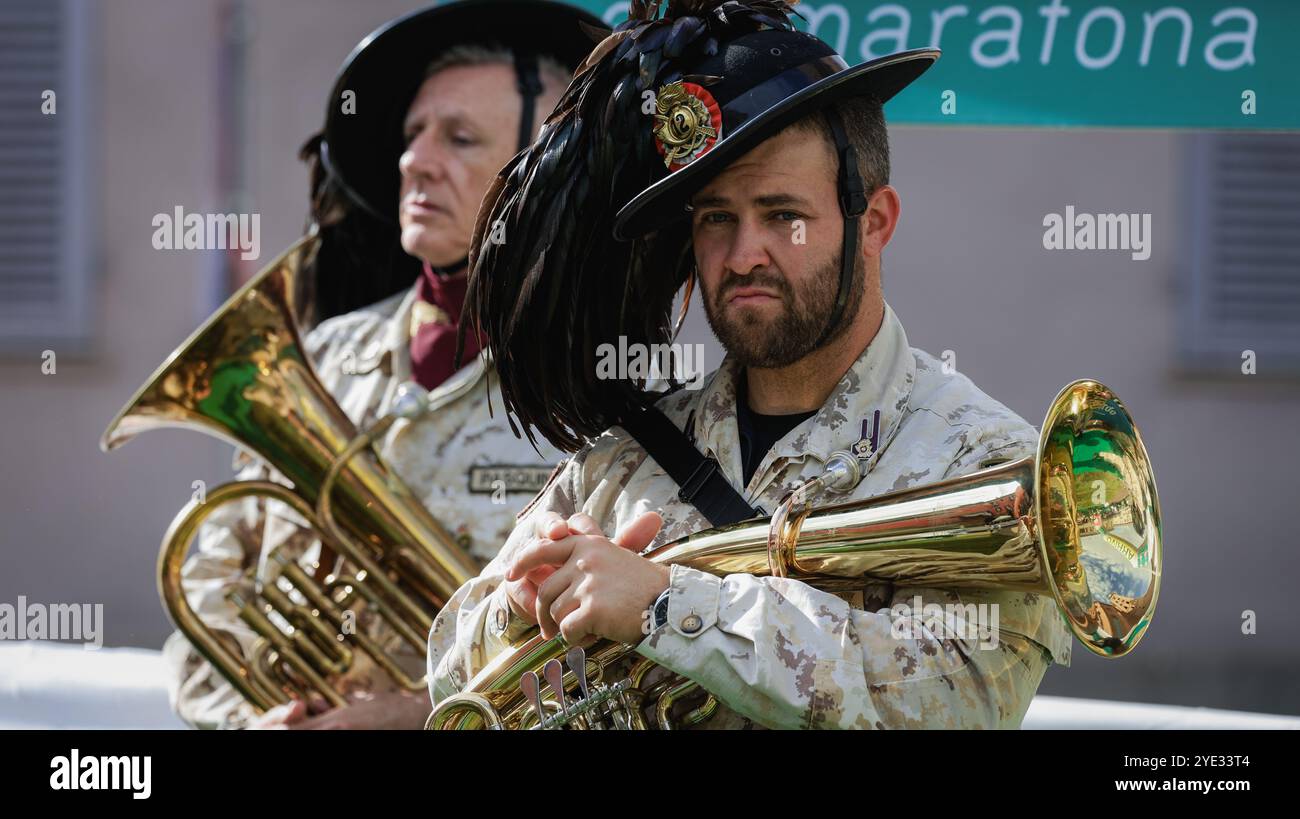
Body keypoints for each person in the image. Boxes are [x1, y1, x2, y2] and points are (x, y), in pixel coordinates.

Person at [426, 0, 1072, 729]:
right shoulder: (616, 465)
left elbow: (953, 701)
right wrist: (521, 603)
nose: (742, 256)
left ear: (876, 221)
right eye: (716, 219)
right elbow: (452, 681)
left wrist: (667, 605)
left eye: (781, 215)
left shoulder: (995, 465)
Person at [162, 0, 606, 730]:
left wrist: (422, 714)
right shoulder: (320, 355)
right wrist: (252, 720)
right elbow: (210, 581)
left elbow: (624, 664)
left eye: (459, 138)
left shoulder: (603, 389)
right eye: (412, 134)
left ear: (543, 175)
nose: (414, 160)